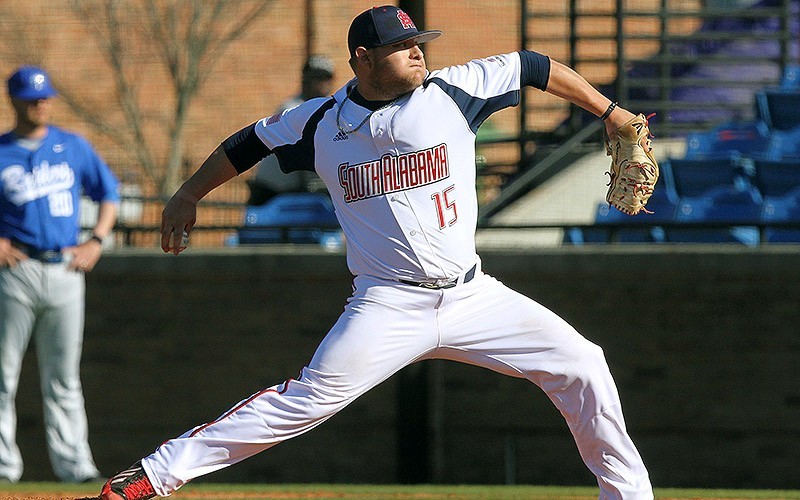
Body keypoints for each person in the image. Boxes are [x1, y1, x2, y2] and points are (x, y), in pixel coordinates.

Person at [101, 6, 654, 499]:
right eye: (402, 47)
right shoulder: (318, 121)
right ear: (362, 58)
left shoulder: (453, 91)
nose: (418, 53)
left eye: (420, 43)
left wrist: (612, 114)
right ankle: (155, 474)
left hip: (472, 295)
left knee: (583, 364)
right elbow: (249, 142)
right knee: (306, 401)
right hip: (385, 304)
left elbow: (534, 64)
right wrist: (188, 194)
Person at [0, 65, 119, 483]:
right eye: (33, 98)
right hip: (16, 271)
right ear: (13, 100)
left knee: (64, 376)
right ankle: (2, 468)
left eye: (46, 97)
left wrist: (97, 240)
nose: (41, 104)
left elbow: (109, 194)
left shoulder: (72, 146)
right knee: (3, 371)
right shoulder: (1, 151)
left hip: (66, 269)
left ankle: (76, 467)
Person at [246, 55, 335, 206]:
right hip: (271, 193)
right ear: (304, 80)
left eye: (326, 78)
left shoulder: (329, 109)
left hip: (298, 195)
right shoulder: (292, 108)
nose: (322, 83)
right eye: (316, 77)